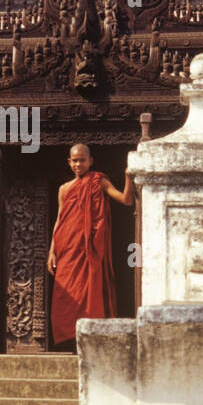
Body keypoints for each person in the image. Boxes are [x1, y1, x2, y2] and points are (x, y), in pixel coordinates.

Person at [47, 144, 133, 352]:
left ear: (90, 161)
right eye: (74, 160)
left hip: (89, 249)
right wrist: (52, 251)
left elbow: (126, 200)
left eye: (82, 160)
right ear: (69, 162)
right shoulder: (64, 189)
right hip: (67, 248)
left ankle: (93, 338)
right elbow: (59, 220)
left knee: (90, 290)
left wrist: (129, 177)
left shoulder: (99, 181)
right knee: (64, 296)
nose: (78, 164)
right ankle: (69, 340)